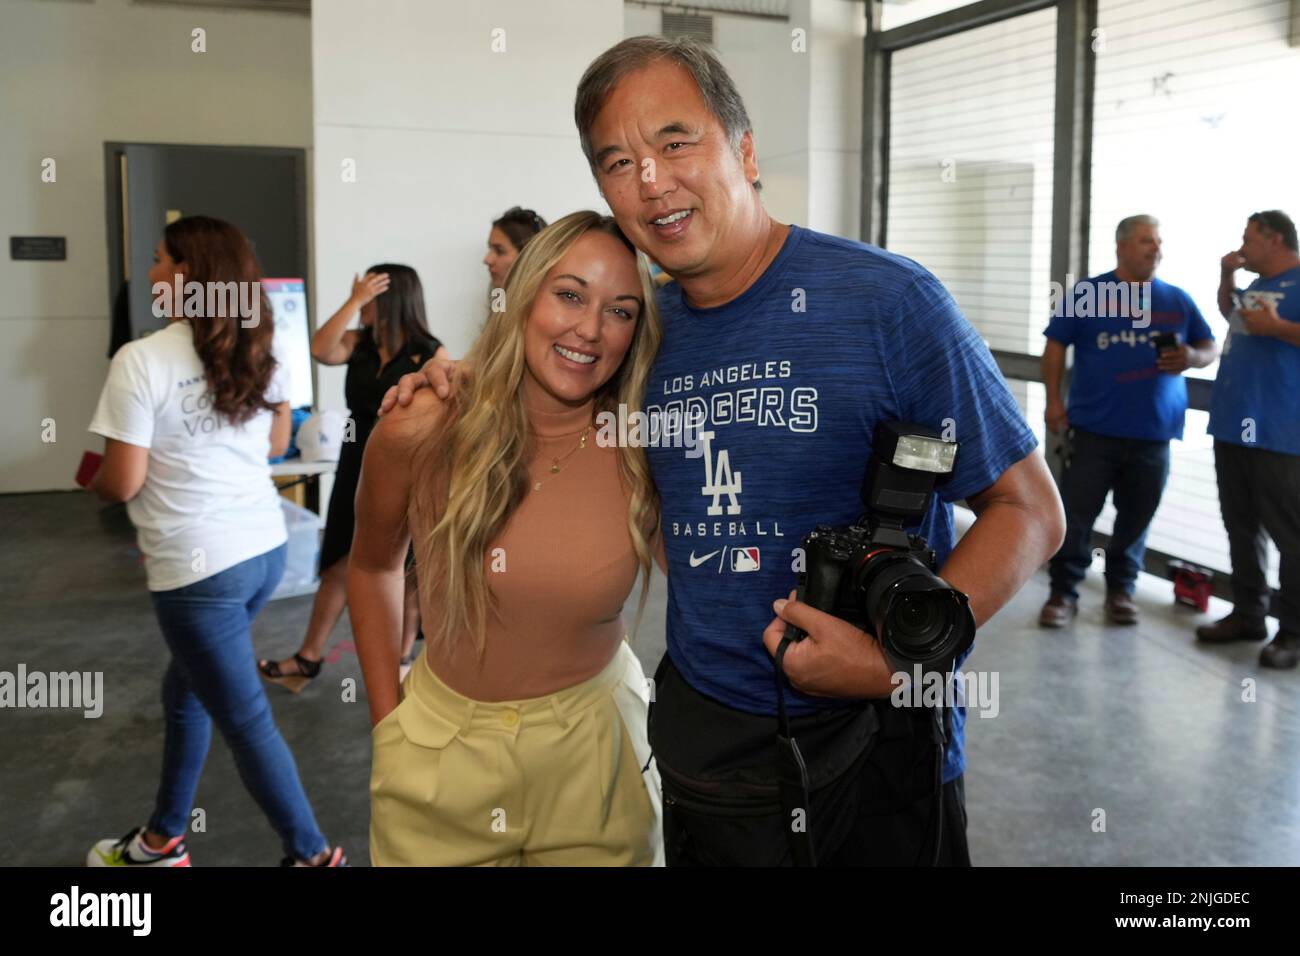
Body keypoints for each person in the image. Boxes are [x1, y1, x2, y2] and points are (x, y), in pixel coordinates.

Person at [391, 36, 1065, 866]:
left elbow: (1029, 508)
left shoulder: (888, 301)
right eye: (617, 161)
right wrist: (449, 378)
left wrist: (891, 664)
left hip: (883, 750)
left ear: (744, 150)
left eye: (675, 141)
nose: (649, 180)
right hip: (711, 753)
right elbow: (542, 389)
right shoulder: (639, 333)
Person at [351, 211, 665, 866]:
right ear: (523, 293)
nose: (589, 329)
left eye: (621, 310)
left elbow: (717, 574)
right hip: (439, 755)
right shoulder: (423, 424)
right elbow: (372, 565)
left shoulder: (642, 448)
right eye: (570, 294)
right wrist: (390, 726)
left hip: (597, 758)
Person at [85, 215, 345, 866]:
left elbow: (121, 483)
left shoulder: (140, 360)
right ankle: (162, 837)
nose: (149, 273)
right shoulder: (261, 348)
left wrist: (91, 478)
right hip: (263, 551)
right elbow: (277, 445)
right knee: (187, 692)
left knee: (246, 719)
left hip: (199, 575)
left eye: (158, 259)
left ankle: (312, 857)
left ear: (188, 275)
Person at [258, 266, 447, 690]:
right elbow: (320, 348)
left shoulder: (429, 351)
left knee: (405, 568)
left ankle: (400, 661)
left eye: (368, 294)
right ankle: (308, 657)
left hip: (406, 466)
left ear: (391, 299)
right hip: (354, 461)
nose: (361, 302)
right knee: (338, 561)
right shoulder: (359, 344)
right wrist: (353, 301)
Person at [1039, 215, 1217, 628]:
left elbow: (1209, 346)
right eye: (1145, 241)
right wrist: (1052, 401)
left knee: (1136, 518)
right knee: (1077, 516)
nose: (1155, 248)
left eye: (1157, 241)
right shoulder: (1089, 293)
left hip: (1154, 435)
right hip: (1094, 432)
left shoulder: (1176, 300)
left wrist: (1191, 357)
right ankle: (1062, 594)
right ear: (1121, 247)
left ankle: (1121, 592)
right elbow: (1054, 346)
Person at [1198, 210, 1300, 669]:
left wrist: (1279, 328)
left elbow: (1272, 331)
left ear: (1274, 238)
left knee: (1291, 536)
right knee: (1240, 525)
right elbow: (1230, 316)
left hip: (1281, 433)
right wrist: (1226, 274)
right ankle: (1248, 614)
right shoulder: (1255, 286)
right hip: (1233, 425)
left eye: (1248, 239)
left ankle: (1293, 633)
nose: (1243, 246)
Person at [483, 206, 547, 290]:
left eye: (499, 251)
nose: (487, 260)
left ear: (529, 256)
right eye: (490, 249)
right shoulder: (499, 298)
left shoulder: (547, 301)